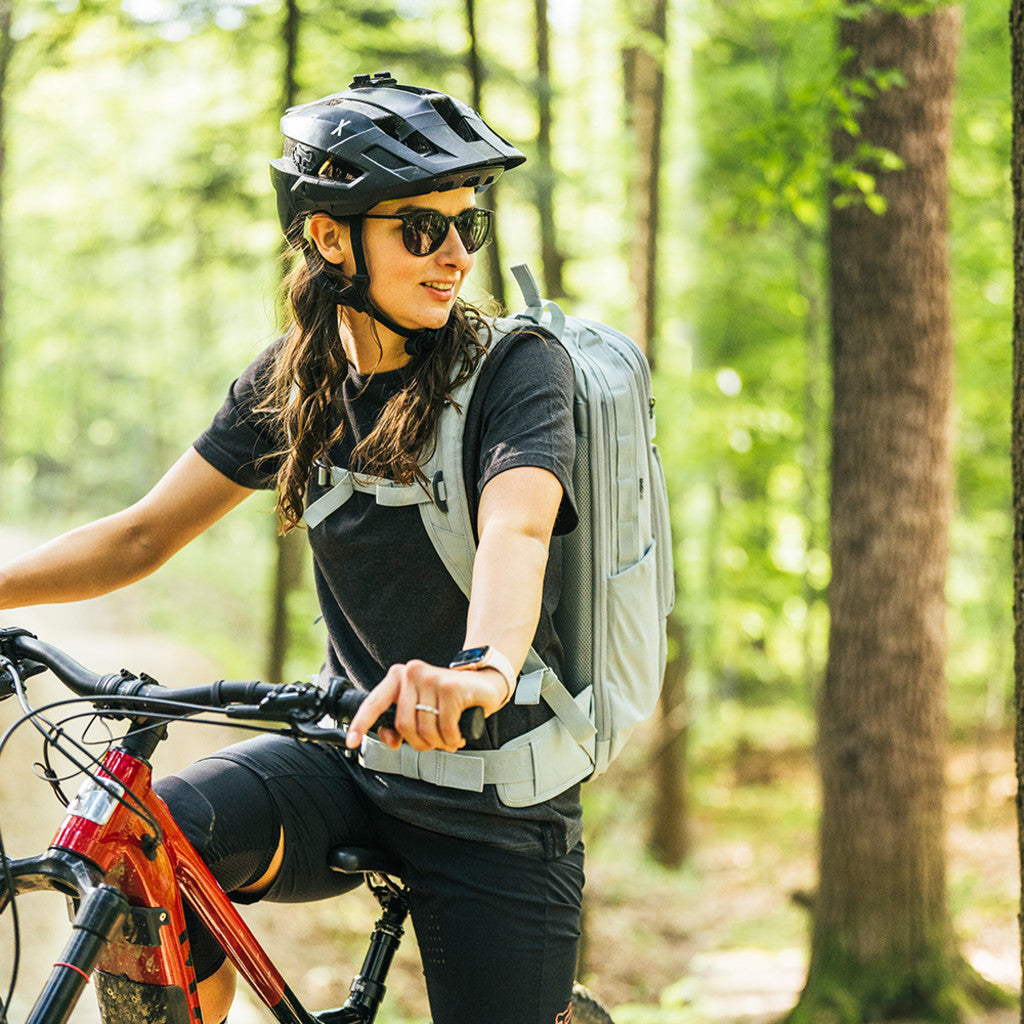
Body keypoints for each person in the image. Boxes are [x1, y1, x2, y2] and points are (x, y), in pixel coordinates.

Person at [0, 72, 584, 1024]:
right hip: (351, 759)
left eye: (465, 227)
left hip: (496, 795)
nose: (454, 257)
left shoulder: (517, 370)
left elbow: (514, 528)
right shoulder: (290, 379)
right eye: (422, 227)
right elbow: (142, 534)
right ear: (329, 235)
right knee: (145, 847)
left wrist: (481, 668)